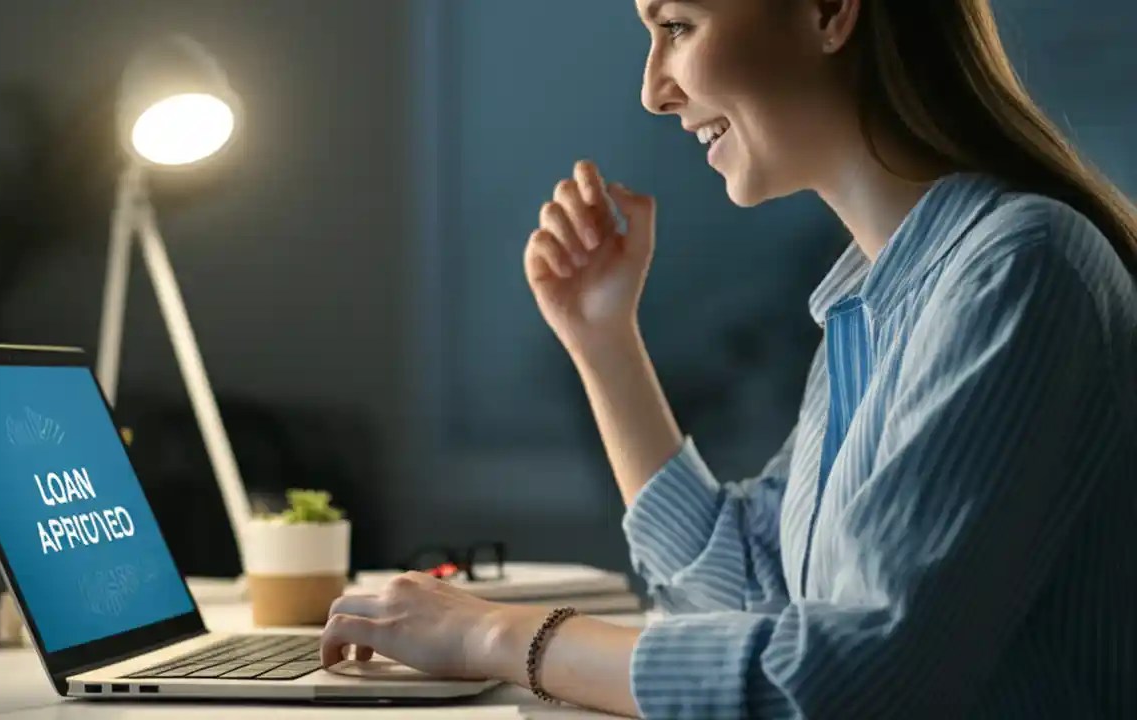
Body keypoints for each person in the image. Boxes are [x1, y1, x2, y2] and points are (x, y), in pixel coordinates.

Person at [320, 0, 1137, 716]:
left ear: (828, 11)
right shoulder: (885, 300)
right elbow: (755, 590)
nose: (653, 89)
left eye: (677, 26)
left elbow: (851, 680)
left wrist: (498, 635)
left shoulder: (1020, 269)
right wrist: (605, 345)